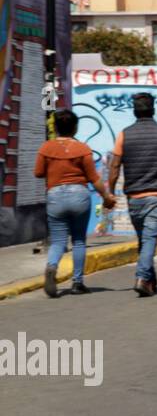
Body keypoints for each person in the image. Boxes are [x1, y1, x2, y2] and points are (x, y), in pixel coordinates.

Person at [106, 92, 157, 297]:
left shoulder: (124, 134)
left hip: (134, 198)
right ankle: (142, 277)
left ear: (134, 111)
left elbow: (115, 166)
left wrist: (110, 192)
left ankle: (150, 280)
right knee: (148, 239)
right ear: (153, 110)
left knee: (145, 239)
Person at [34, 109, 117, 296]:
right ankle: (77, 283)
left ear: (55, 127)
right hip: (79, 195)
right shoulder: (82, 149)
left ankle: (52, 266)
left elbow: (38, 173)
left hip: (55, 196)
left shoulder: (46, 148)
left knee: (58, 241)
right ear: (75, 128)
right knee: (79, 240)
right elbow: (93, 178)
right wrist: (106, 197)